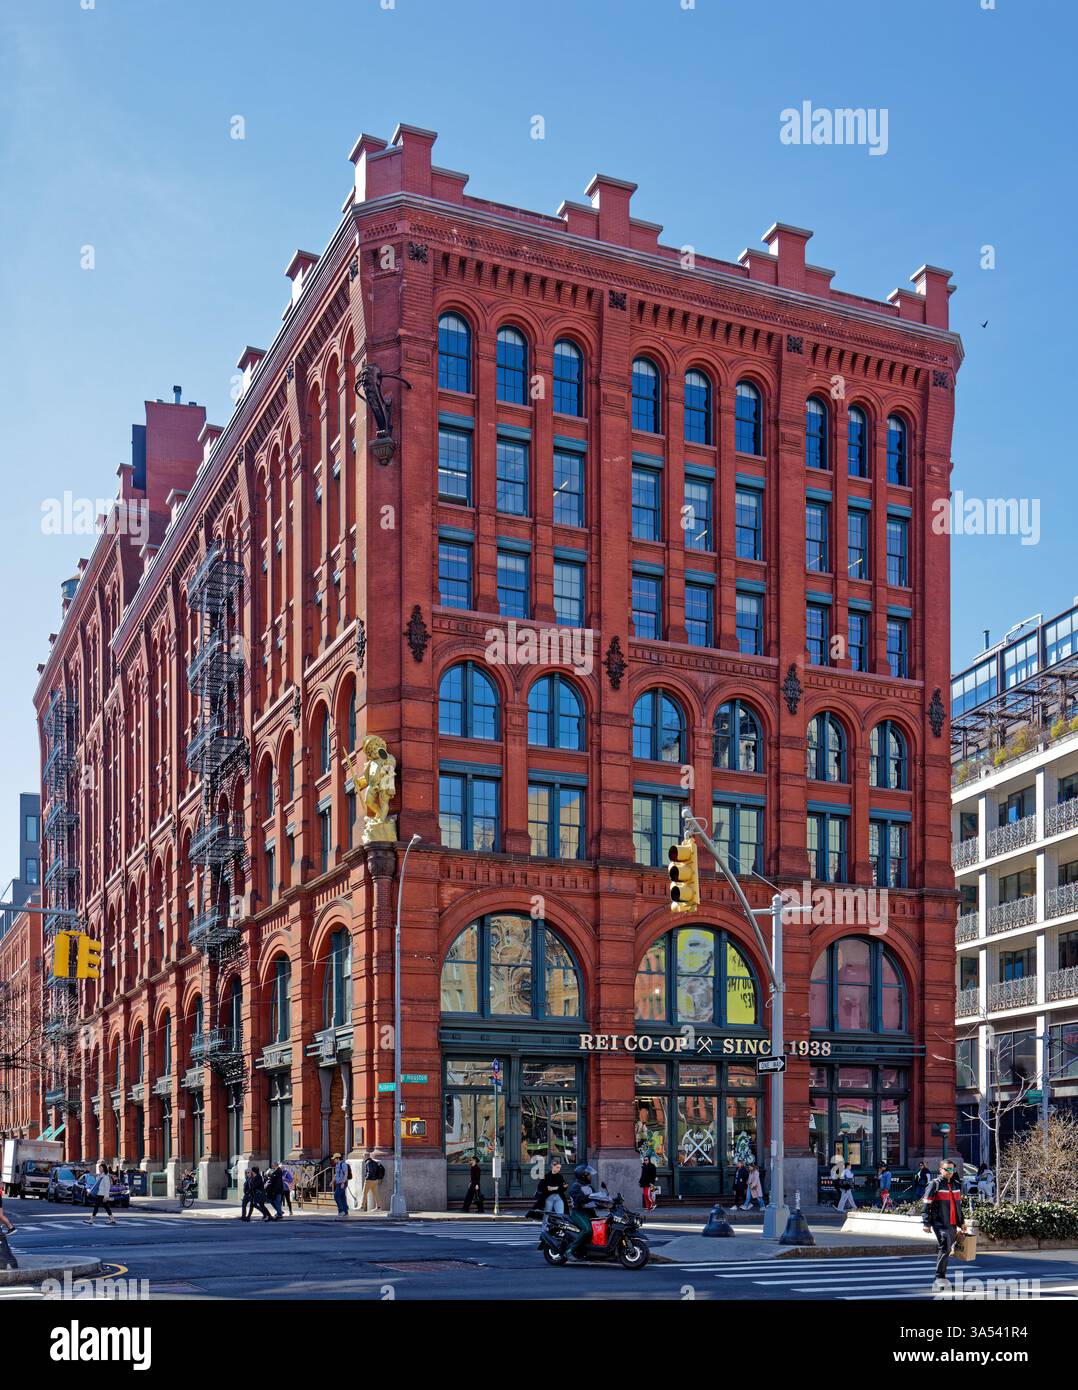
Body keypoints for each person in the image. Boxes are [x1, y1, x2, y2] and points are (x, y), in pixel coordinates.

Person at [923, 1157, 965, 1287]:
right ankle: (939, 1277)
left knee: (946, 1248)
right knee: (945, 1247)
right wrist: (926, 1223)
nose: (950, 1171)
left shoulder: (956, 1184)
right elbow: (926, 1204)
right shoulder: (934, 1184)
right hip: (939, 1223)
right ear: (941, 1170)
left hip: (952, 1223)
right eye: (947, 1169)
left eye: (952, 1169)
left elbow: (958, 1206)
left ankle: (941, 1275)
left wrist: (962, 1222)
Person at [565, 1163, 611, 1259]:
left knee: (604, 1227)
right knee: (587, 1230)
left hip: (590, 1212)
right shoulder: (575, 1186)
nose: (590, 1176)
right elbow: (580, 1199)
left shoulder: (590, 1187)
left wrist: (608, 1204)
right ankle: (570, 1250)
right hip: (578, 1213)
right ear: (583, 1176)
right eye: (589, 1174)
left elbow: (596, 1200)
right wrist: (592, 1198)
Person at [535, 1160, 569, 1230]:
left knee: (561, 1215)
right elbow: (541, 1187)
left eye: (559, 1168)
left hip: (559, 1198)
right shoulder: (547, 1176)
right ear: (552, 1166)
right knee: (546, 1216)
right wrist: (552, 1188)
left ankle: (560, 1231)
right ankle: (544, 1231)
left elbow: (564, 1188)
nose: (558, 1169)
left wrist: (555, 1188)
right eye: (557, 1167)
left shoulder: (560, 1176)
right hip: (549, 1198)